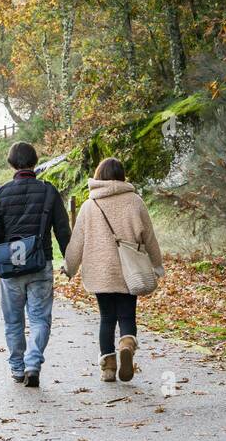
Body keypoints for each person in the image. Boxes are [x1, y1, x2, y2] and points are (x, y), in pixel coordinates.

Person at [64, 157, 164, 383]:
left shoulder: (90, 205)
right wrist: (157, 265)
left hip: (100, 272)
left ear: (99, 176)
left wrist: (69, 267)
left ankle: (109, 368)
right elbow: (149, 237)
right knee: (127, 315)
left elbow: (77, 240)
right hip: (131, 271)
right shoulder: (135, 201)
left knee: (107, 318)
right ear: (122, 176)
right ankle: (127, 344)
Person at [0, 141, 72, 388]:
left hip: (10, 269)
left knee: (13, 322)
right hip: (40, 264)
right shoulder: (48, 191)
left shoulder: (0, 193)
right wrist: (70, 261)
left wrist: (1, 263)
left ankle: (17, 368)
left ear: (12, 163)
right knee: (39, 319)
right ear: (35, 162)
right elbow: (63, 232)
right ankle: (33, 364)